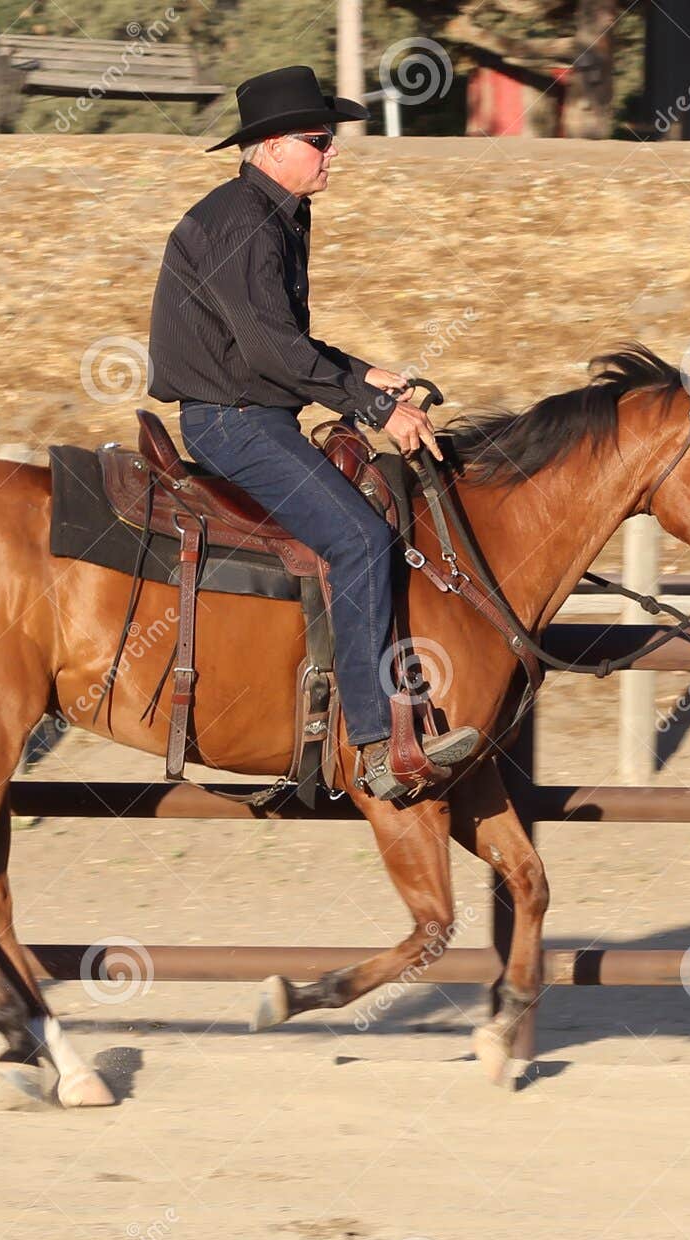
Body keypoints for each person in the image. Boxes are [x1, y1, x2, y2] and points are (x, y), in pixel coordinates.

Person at [146, 63, 482, 802]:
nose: (333, 153)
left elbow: (279, 341)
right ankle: (373, 744)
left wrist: (366, 374)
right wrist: (374, 408)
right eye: (318, 139)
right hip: (231, 423)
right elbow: (271, 350)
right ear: (269, 147)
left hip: (255, 409)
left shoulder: (273, 213)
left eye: (329, 140)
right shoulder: (241, 223)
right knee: (359, 539)